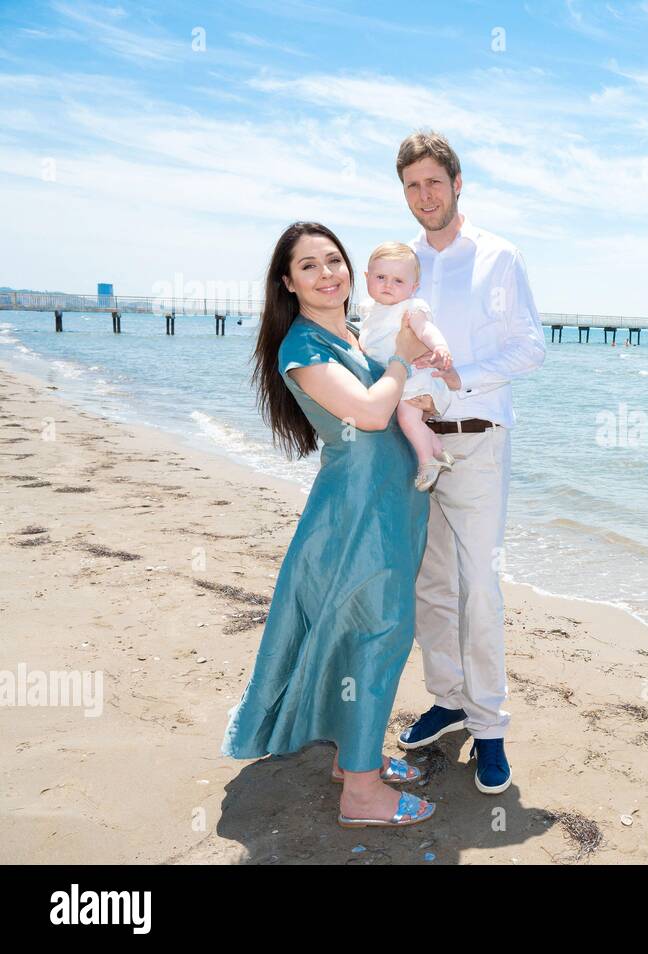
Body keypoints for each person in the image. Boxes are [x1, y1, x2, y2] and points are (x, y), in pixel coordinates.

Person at [221, 221, 436, 829]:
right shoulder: (304, 348)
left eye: (334, 260)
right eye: (308, 266)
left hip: (390, 505)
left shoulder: (355, 331)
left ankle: (353, 760)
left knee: (355, 633)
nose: (326, 274)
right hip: (359, 516)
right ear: (287, 282)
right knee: (380, 632)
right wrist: (403, 358)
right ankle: (362, 797)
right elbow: (370, 413)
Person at [392, 129, 546, 795]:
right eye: (413, 186)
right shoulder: (405, 265)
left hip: (478, 438)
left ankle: (489, 729)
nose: (426, 196)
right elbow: (389, 342)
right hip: (415, 441)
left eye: (435, 182)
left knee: (478, 588)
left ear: (458, 184)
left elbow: (529, 348)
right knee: (430, 584)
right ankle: (449, 698)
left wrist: (457, 378)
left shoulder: (499, 257)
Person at [356, 241, 456, 491]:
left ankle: (427, 462)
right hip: (395, 378)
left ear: (414, 287)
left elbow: (426, 330)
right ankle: (439, 452)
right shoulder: (369, 310)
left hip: (414, 379)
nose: (388, 285)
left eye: (398, 281)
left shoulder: (411, 308)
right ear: (367, 277)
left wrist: (440, 347)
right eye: (380, 277)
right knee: (411, 421)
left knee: (407, 419)